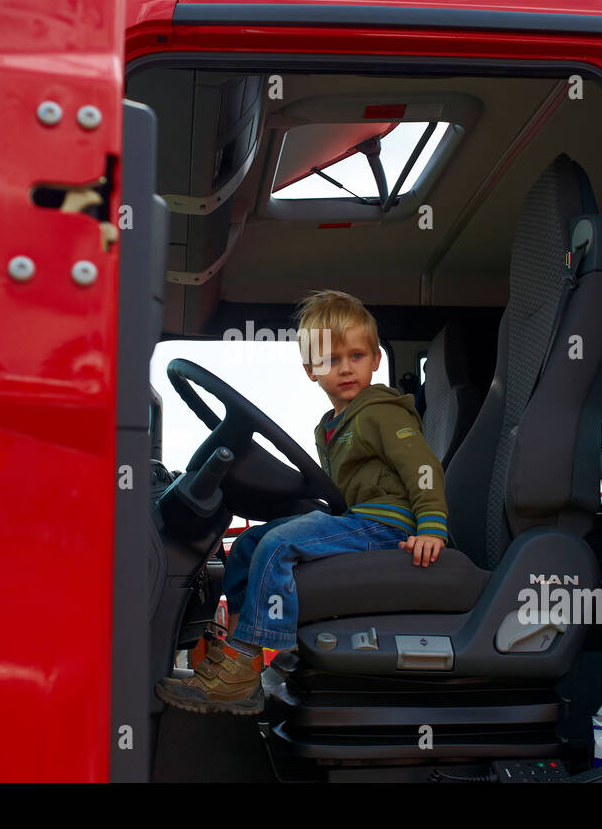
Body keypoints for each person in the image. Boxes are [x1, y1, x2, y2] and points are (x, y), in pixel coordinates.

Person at [155, 290, 449, 715]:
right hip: (357, 520)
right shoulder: (329, 427)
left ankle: (242, 666)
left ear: (376, 360)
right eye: (330, 360)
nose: (345, 369)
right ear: (312, 370)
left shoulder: (382, 410)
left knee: (279, 546)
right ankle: (242, 667)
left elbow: (422, 466)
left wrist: (432, 526)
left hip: (388, 525)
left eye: (357, 356)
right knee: (250, 546)